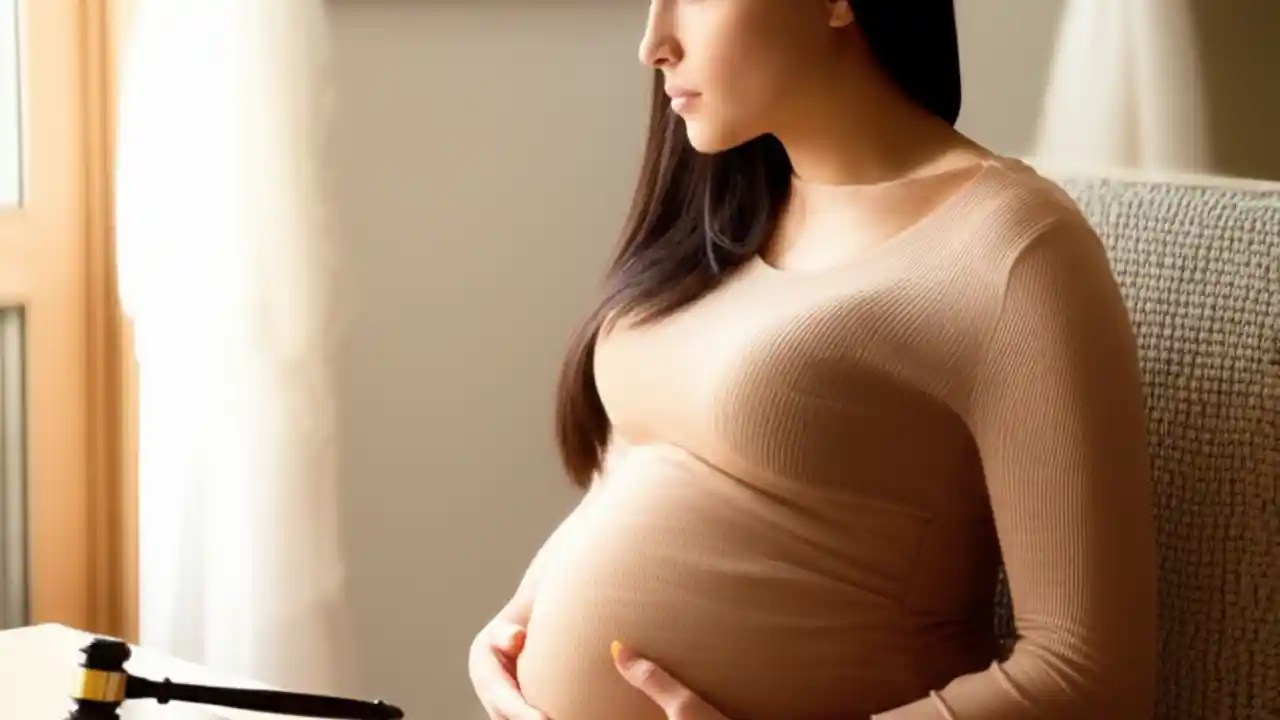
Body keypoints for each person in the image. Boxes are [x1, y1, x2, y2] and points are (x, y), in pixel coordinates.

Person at [468, 1, 1159, 718]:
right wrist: (515, 630)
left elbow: (1091, 679)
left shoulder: (1013, 252)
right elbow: (639, 474)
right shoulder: (725, 210)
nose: (654, 44)